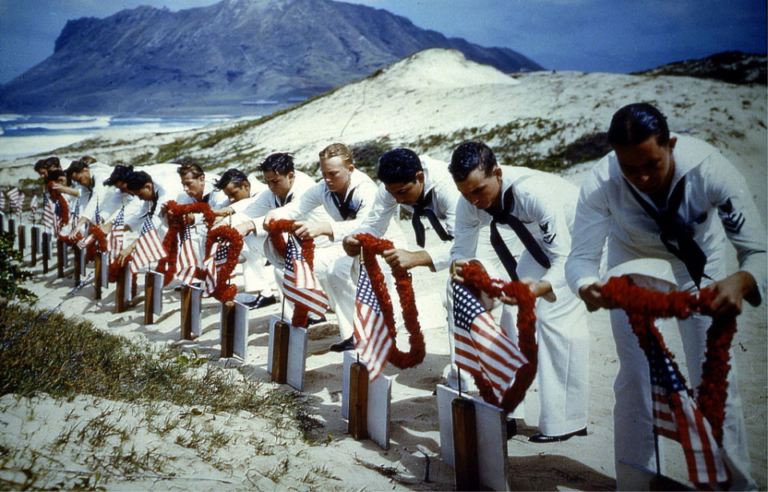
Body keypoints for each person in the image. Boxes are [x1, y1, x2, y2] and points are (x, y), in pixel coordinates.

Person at [565, 103, 765, 490]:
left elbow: (759, 250)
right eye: (629, 168)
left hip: (700, 269)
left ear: (670, 144)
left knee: (718, 380)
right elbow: (581, 259)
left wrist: (741, 281)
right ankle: (636, 481)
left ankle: (736, 486)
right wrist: (589, 286)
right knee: (635, 380)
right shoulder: (600, 180)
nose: (641, 177)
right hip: (632, 268)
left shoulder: (710, 169)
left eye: (651, 164)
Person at [449, 140, 590, 443]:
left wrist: (539, 287)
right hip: (539, 240)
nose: (473, 200)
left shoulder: (532, 193)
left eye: (478, 191)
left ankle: (566, 421)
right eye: (464, 193)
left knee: (554, 319)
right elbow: (460, 250)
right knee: (511, 316)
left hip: (580, 235)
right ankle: (509, 409)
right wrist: (462, 270)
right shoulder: (468, 200)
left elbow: (564, 256)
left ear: (497, 173)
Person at [265, 143, 405, 351]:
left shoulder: (366, 189)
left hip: (385, 244)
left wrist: (324, 227)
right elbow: (297, 207)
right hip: (352, 245)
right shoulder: (324, 187)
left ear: (350, 170)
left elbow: (367, 226)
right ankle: (354, 334)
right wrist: (275, 215)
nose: (328, 179)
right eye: (324, 173)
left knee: (351, 277)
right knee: (334, 273)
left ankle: (376, 329)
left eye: (333, 174)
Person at [343, 147, 459, 273]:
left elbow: (464, 243)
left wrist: (416, 257)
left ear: (419, 177)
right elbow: (374, 225)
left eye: (402, 192)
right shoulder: (392, 186)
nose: (398, 200)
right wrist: (354, 237)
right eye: (392, 193)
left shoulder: (448, 188)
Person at [212, 168, 275, 306]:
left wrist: (227, 213)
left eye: (233, 194)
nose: (231, 199)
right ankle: (265, 293)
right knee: (246, 244)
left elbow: (249, 206)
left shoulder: (262, 190)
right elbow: (221, 207)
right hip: (266, 234)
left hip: (285, 232)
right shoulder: (238, 194)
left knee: (246, 243)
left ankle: (266, 292)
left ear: (245, 186)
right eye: (228, 196)